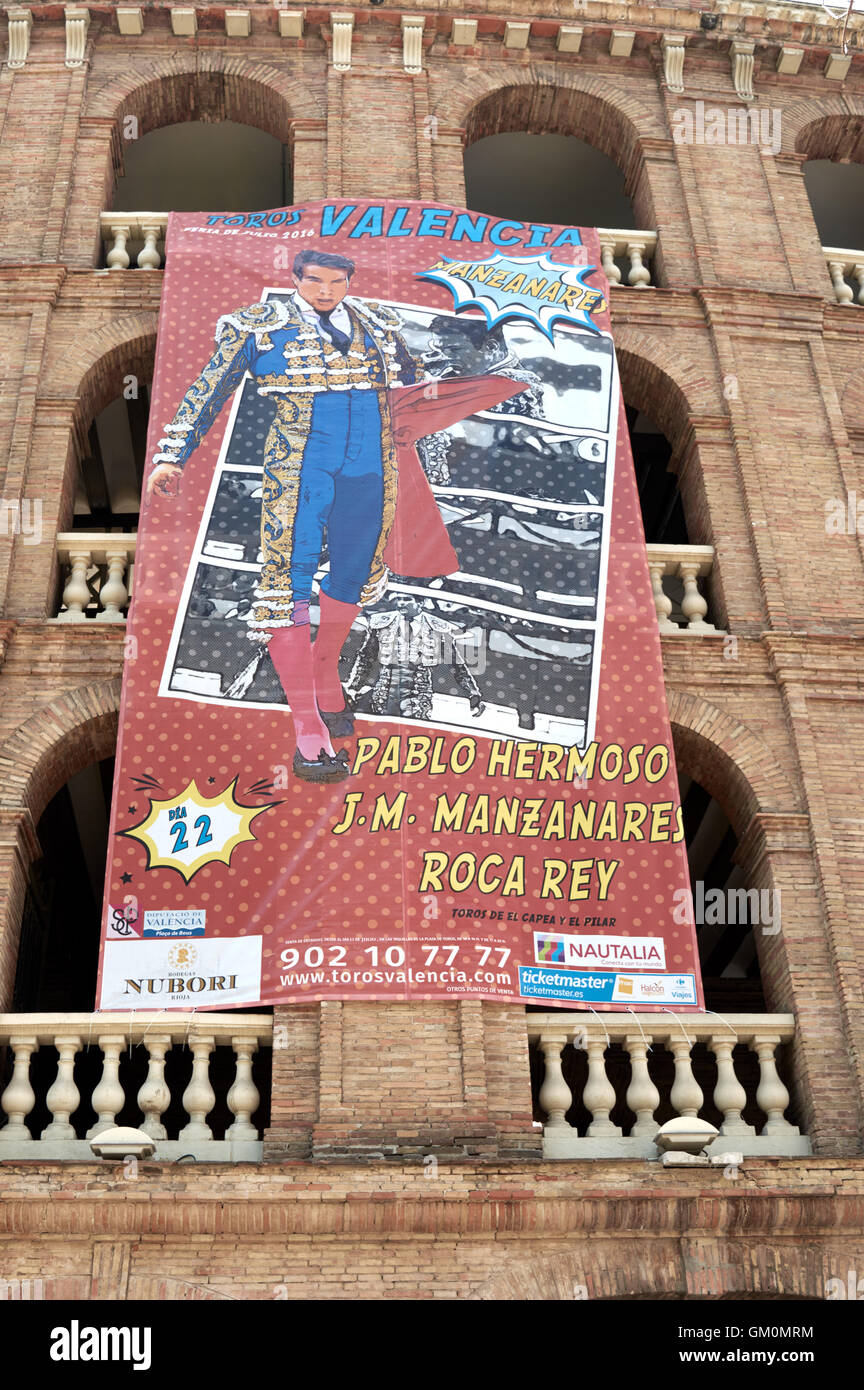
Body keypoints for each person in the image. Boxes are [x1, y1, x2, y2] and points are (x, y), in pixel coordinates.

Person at [147, 248, 520, 782]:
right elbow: (209, 390)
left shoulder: (379, 326)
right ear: (296, 279)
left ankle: (324, 672)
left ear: (350, 281)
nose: (326, 290)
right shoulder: (258, 328)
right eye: (315, 281)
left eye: (336, 281)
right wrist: (171, 457)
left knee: (353, 573)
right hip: (300, 466)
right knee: (287, 583)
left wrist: (472, 391)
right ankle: (307, 727)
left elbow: (412, 392)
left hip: (372, 466)